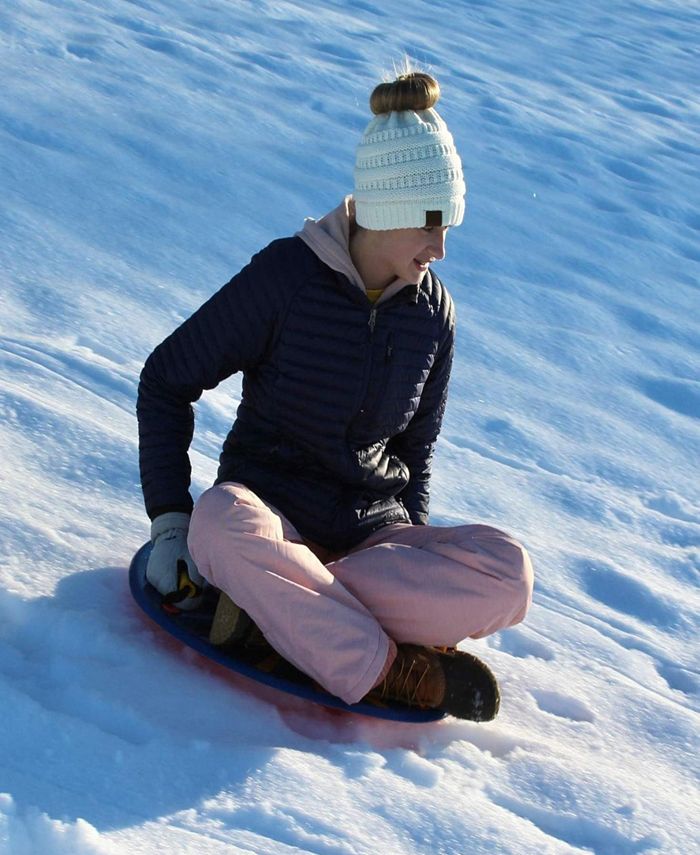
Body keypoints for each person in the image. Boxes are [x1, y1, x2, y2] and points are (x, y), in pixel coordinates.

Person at [137, 69, 533, 721]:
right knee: (219, 523)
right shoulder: (286, 278)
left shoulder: (433, 316)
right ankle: (391, 667)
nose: (441, 247)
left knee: (509, 571)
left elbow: (415, 452)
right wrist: (170, 524)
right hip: (268, 520)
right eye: (431, 224)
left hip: (367, 541)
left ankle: (279, 615)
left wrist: (411, 559)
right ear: (386, 206)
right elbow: (166, 379)